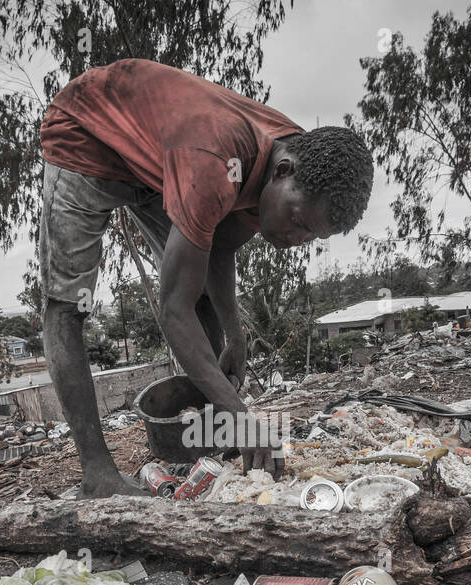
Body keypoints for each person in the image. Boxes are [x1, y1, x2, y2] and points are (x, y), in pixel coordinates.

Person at [38, 59, 373, 497]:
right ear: (283, 171)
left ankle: (207, 441)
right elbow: (172, 311)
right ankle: (98, 474)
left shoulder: (297, 154)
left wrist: (236, 335)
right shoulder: (218, 160)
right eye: (296, 220)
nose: (296, 238)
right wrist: (240, 412)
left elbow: (219, 247)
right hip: (89, 134)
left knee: (203, 300)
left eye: (311, 234)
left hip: (160, 161)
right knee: (69, 307)